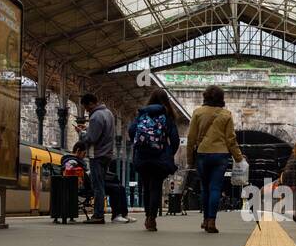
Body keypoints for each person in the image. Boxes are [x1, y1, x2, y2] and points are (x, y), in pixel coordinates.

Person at [186, 85, 244, 234]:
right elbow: (231, 139)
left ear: (205, 97)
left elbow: (191, 138)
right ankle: (211, 221)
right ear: (221, 98)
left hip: (202, 154)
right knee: (215, 188)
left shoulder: (197, 113)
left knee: (205, 188)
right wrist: (239, 158)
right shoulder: (226, 115)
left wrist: (189, 159)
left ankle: (205, 220)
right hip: (221, 155)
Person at [128, 90, 181, 231]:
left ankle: (147, 216)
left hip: (143, 156)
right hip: (160, 157)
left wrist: (139, 145)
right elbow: (175, 139)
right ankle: (152, 218)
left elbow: (131, 130)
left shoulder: (142, 113)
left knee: (146, 187)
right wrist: (169, 153)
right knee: (155, 187)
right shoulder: (168, 116)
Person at [76, 93, 115, 224]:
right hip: (107, 154)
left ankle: (98, 215)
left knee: (97, 185)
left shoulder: (96, 116)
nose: (87, 110)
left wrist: (81, 134)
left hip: (97, 155)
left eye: (86, 107)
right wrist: (89, 129)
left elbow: (92, 139)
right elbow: (101, 132)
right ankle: (99, 214)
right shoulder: (108, 113)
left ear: (91, 103)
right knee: (101, 184)